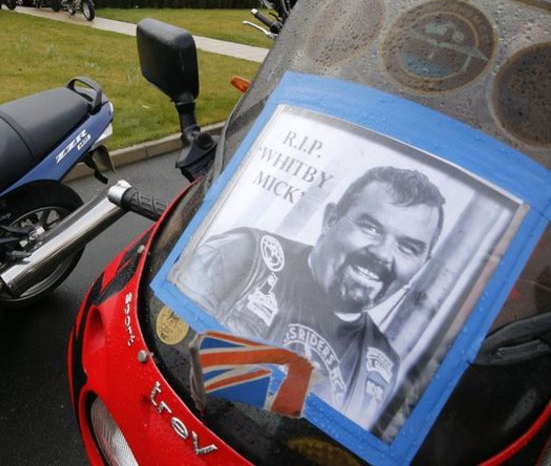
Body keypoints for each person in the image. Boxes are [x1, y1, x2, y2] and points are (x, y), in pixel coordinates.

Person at [177, 166, 445, 426]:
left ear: (421, 265)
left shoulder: (381, 371)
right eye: (371, 227)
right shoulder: (245, 256)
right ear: (330, 220)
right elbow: (171, 360)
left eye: (408, 247)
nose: (384, 255)